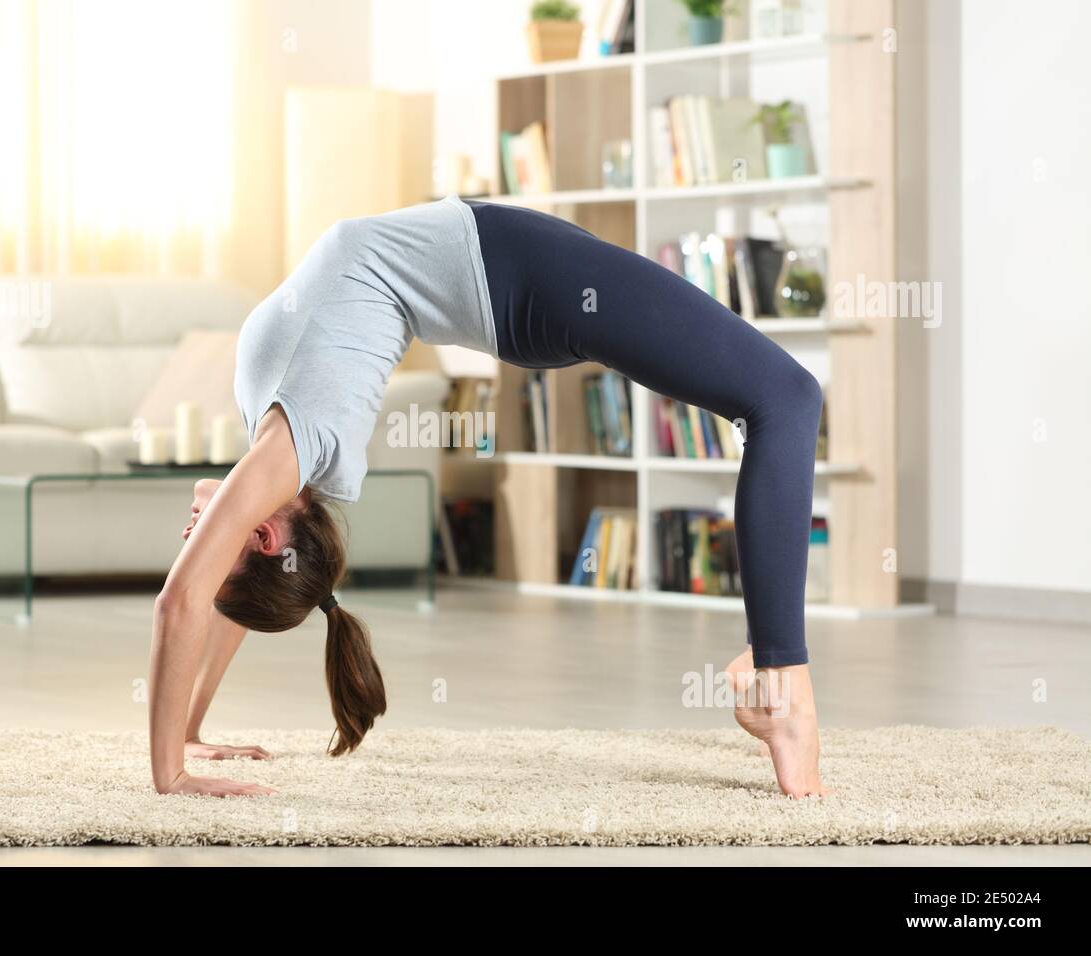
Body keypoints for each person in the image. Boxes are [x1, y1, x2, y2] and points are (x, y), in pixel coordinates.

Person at [149, 195, 827, 799]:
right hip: (528, 280)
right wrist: (171, 776)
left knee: (774, 398)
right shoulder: (301, 444)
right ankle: (783, 687)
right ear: (264, 536)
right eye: (213, 556)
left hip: (512, 259)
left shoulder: (278, 456)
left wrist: (191, 729)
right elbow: (181, 601)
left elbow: (227, 595)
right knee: (784, 397)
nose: (193, 546)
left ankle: (773, 671)